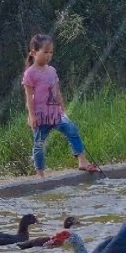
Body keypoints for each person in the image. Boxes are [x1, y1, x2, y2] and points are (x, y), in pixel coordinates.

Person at [22, 34, 100, 177]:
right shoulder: (30, 74)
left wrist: (63, 108)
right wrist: (31, 116)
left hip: (55, 113)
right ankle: (40, 173)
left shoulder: (52, 71)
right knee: (39, 144)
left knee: (71, 128)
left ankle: (82, 161)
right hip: (40, 116)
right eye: (45, 52)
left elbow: (56, 91)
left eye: (51, 52)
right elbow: (29, 97)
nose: (48, 55)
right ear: (33, 52)